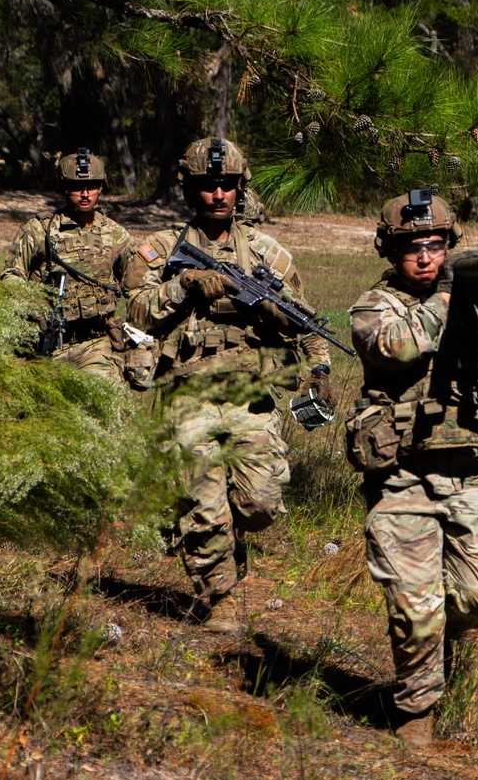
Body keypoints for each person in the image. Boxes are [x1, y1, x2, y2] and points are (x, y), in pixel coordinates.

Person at [347, 191, 478, 748]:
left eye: (435, 246)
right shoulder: (374, 306)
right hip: (403, 478)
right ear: (392, 251)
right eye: (412, 247)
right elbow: (394, 348)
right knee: (415, 610)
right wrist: (448, 298)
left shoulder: (476, 301)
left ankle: (439, 643)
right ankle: (416, 720)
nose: (425, 257)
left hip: (471, 475)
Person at [123, 137, 333, 631]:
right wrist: (183, 285)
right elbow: (135, 312)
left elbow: (307, 323)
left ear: (241, 189)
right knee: (200, 499)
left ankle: (232, 540)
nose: (219, 194)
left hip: (249, 393)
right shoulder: (158, 250)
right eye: (208, 185)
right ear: (190, 190)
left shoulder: (268, 254)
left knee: (259, 502)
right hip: (184, 391)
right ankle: (218, 595)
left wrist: (319, 370)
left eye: (228, 185)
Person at [1, 149, 133, 386]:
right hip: (48, 344)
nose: (85, 193)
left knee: (99, 402)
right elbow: (11, 275)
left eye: (91, 185)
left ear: (101, 187)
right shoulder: (39, 230)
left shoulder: (116, 234)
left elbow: (137, 284)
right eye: (76, 186)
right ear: (64, 188)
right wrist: (34, 303)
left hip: (96, 343)